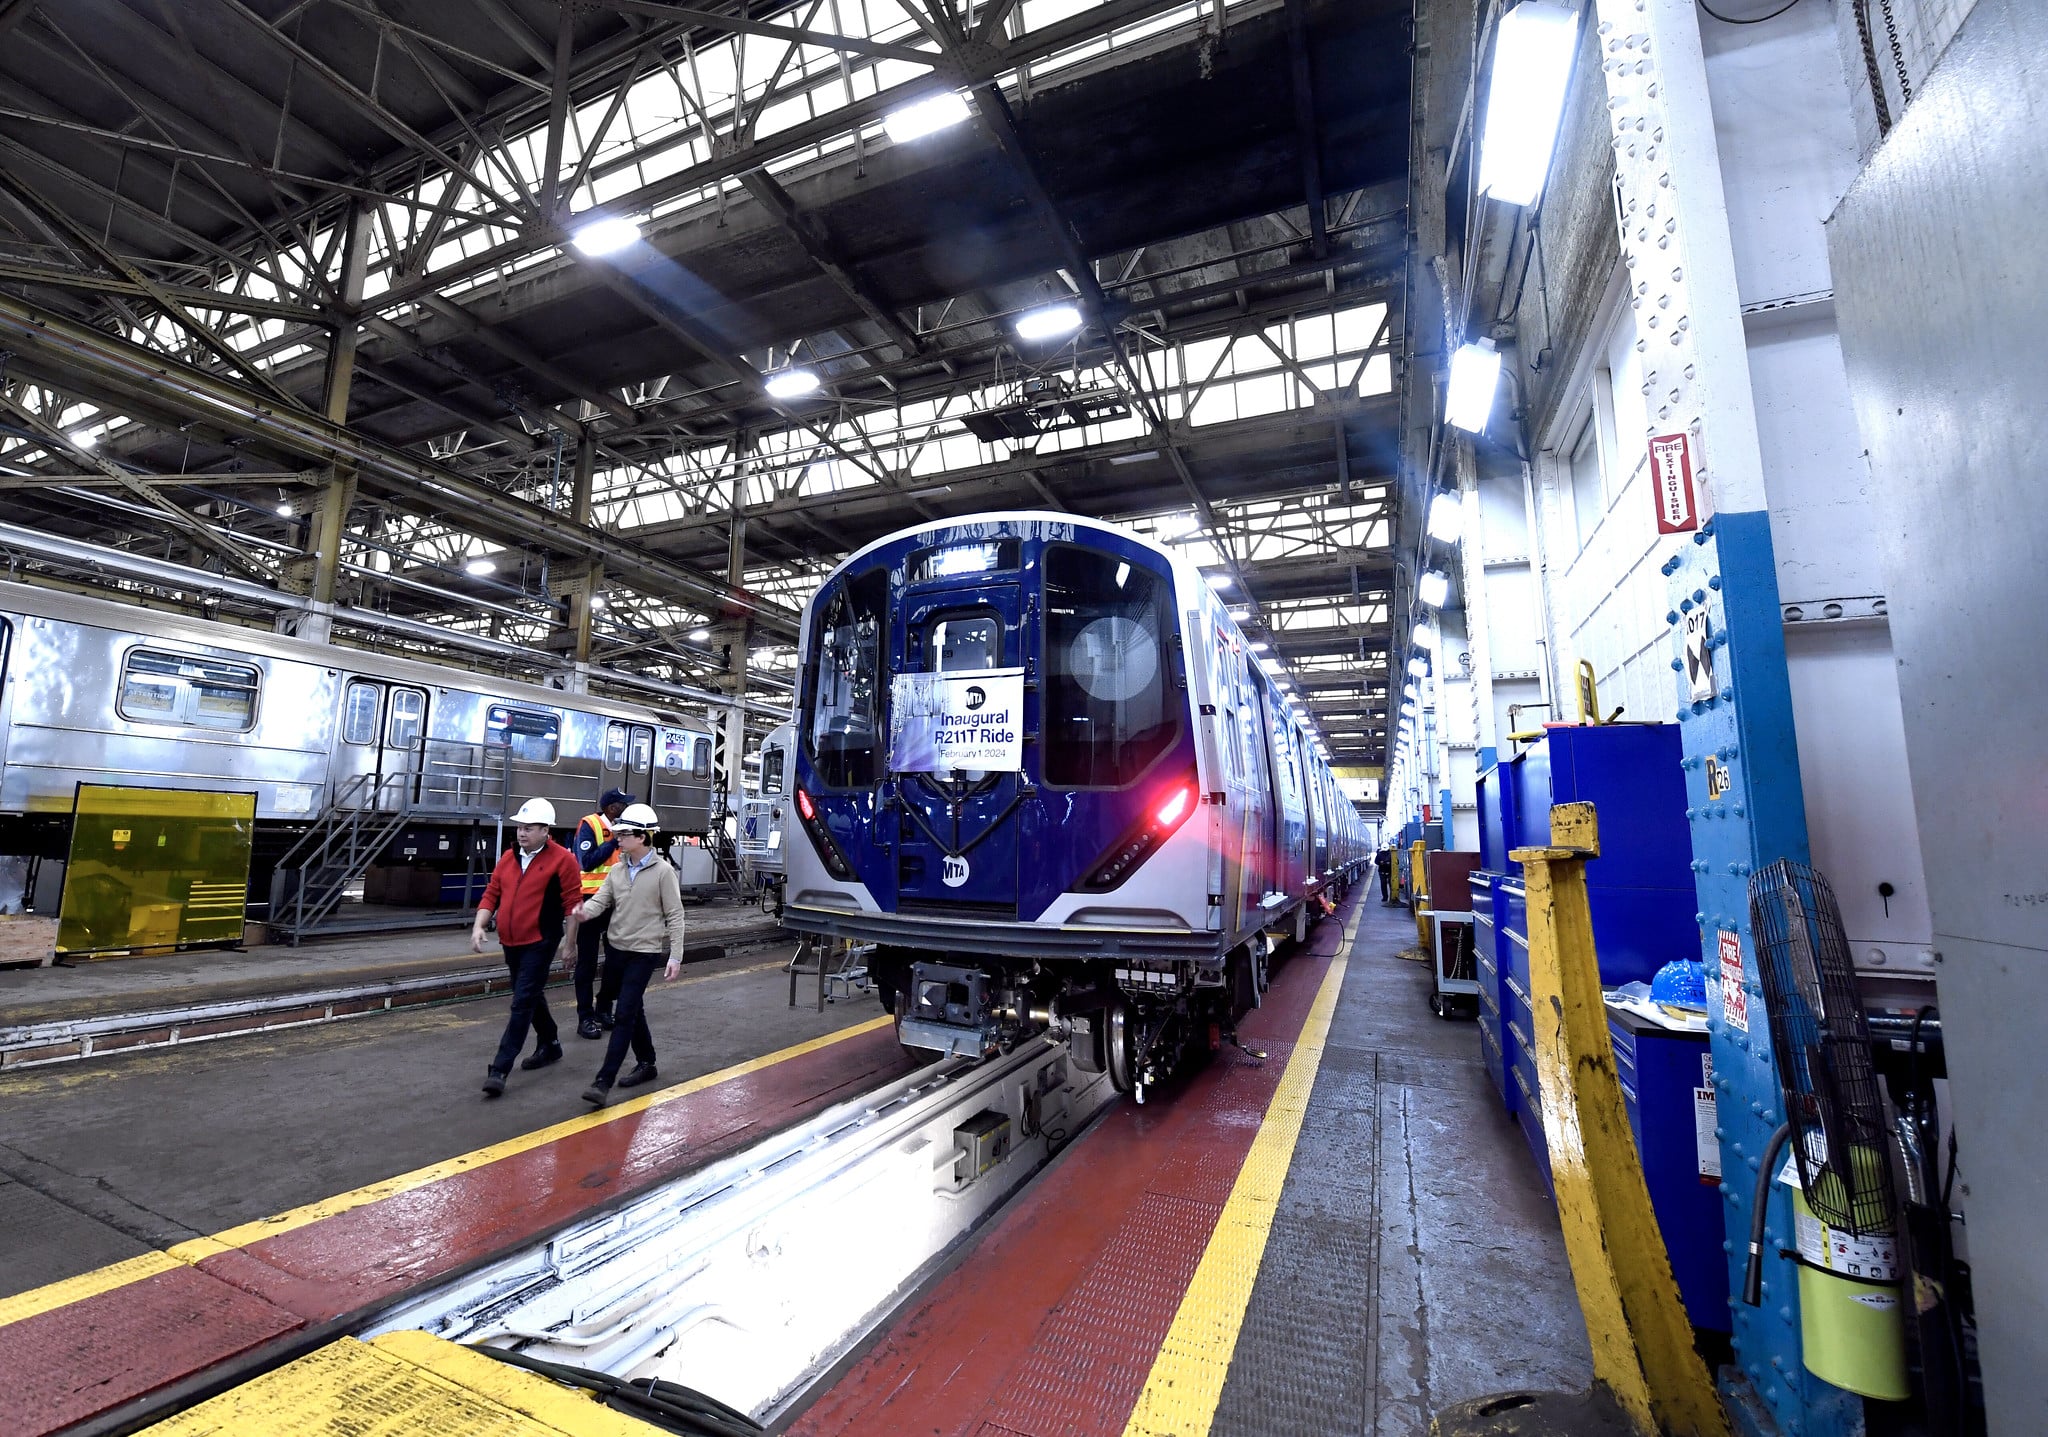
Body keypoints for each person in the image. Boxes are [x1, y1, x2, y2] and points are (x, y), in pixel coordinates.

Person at [572, 803, 686, 1107]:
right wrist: (583, 911)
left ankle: (602, 1082)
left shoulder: (663, 873)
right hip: (617, 950)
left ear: (642, 837)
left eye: (623, 834)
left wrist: (675, 955)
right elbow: (600, 901)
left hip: (644, 953)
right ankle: (647, 1062)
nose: (617, 838)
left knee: (623, 1014)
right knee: (632, 1009)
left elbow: (675, 916)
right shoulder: (618, 870)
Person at [471, 797, 584, 1097]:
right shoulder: (509, 858)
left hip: (541, 941)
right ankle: (550, 1043)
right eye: (520, 827)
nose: (522, 833)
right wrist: (479, 925)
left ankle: (499, 1069)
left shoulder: (563, 860)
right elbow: (491, 894)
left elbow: (573, 905)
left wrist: (570, 945)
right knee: (529, 994)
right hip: (511, 941)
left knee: (521, 1002)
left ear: (546, 830)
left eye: (529, 828)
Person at [572, 788, 634, 1039]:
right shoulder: (589, 825)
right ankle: (585, 1017)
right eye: (622, 804)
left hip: (617, 902)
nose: (626, 808)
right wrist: (612, 842)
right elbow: (586, 861)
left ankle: (604, 1008)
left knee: (616, 958)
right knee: (587, 961)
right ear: (611, 808)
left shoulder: (625, 829)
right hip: (591, 900)